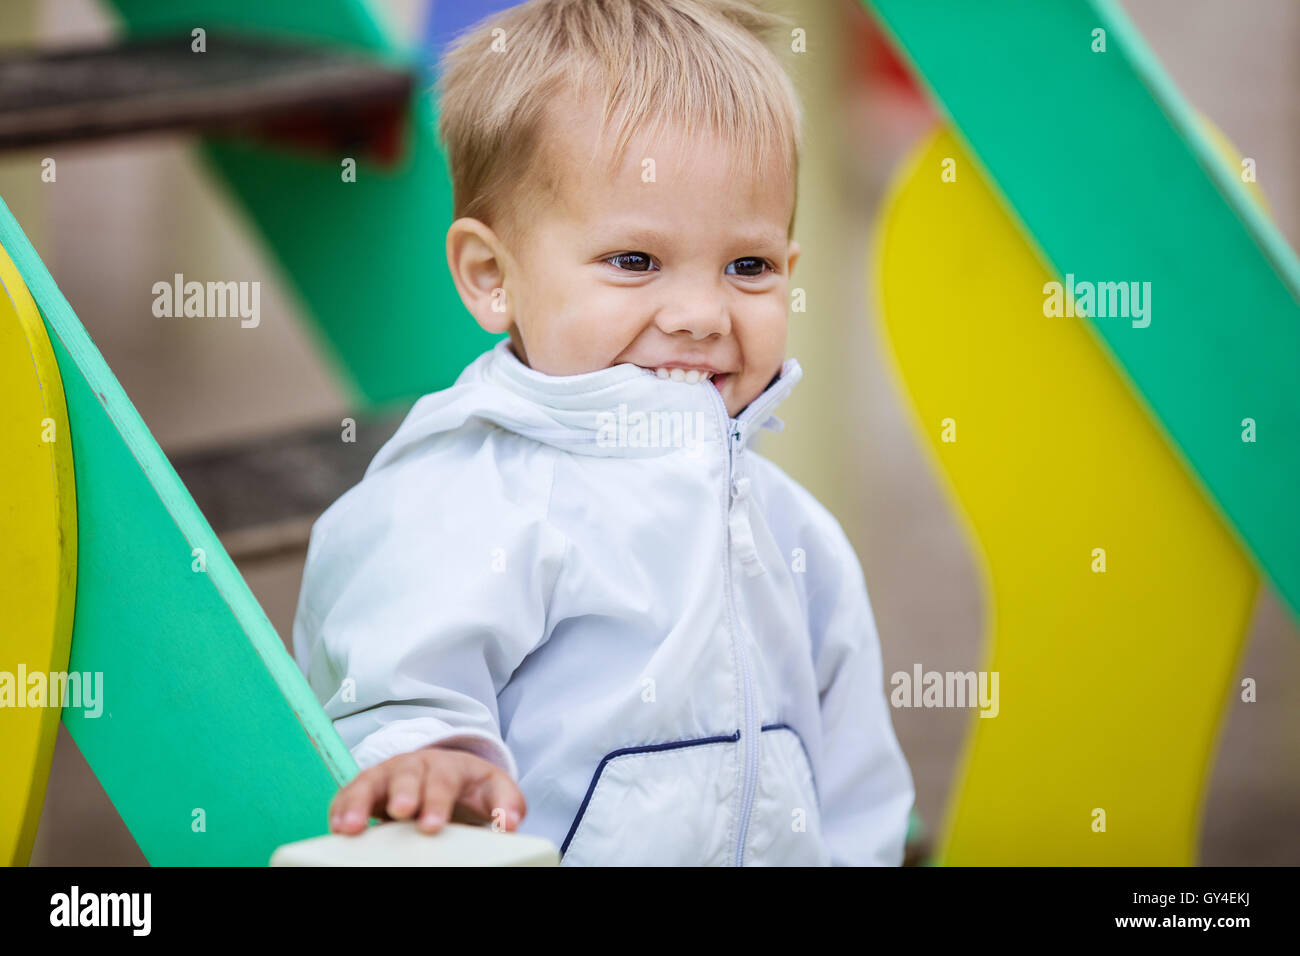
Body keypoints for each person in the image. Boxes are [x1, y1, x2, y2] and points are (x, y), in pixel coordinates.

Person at [292, 0, 914, 865]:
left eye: (749, 266)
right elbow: (392, 694)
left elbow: (856, 791)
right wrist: (432, 765)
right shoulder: (467, 499)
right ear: (491, 276)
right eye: (635, 262)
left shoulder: (794, 531)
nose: (701, 314)